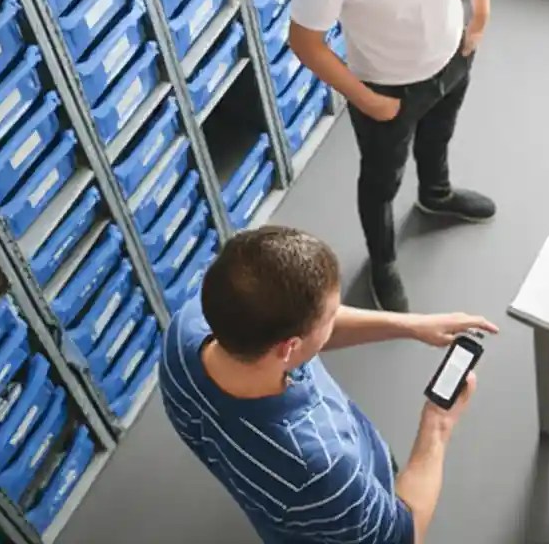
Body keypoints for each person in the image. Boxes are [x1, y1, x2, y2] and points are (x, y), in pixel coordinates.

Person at [160, 227, 497, 543]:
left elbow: (310, 323)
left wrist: (412, 325)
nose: (335, 317)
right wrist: (438, 423)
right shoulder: (322, 468)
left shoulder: (188, 328)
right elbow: (401, 534)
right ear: (288, 347)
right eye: (331, 315)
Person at [289, 0, 496, 313]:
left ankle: (436, 195)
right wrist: (369, 100)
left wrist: (480, 13)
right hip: (386, 89)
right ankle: (382, 262)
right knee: (381, 181)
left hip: (452, 58)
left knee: (438, 138)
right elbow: (305, 41)